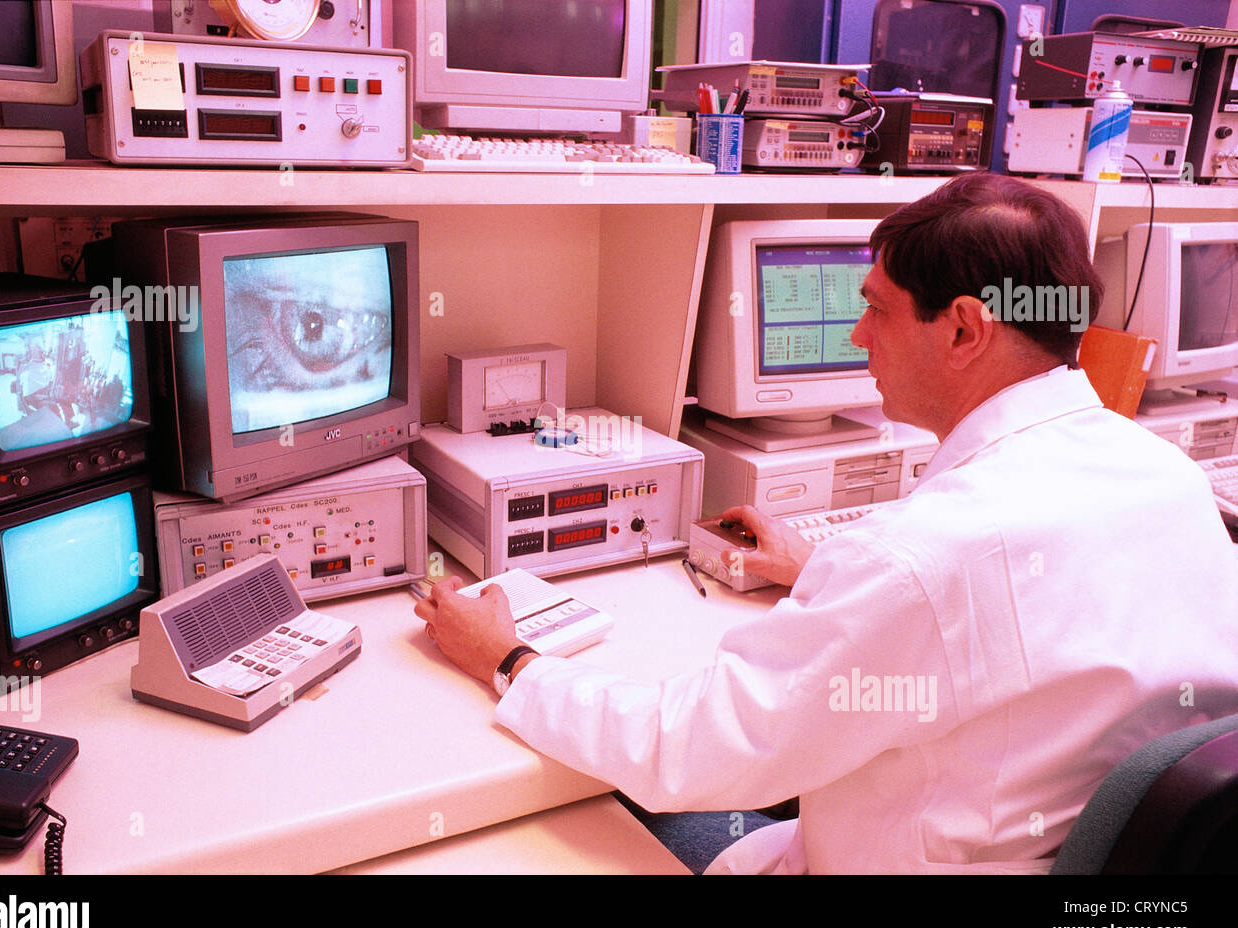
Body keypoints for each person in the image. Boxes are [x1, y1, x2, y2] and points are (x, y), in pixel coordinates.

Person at [413, 172, 1238, 873]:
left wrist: (508, 658)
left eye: (878, 308)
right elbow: (1032, 631)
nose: (858, 333)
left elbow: (686, 750)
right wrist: (825, 575)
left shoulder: (919, 559)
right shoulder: (1164, 475)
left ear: (963, 328)